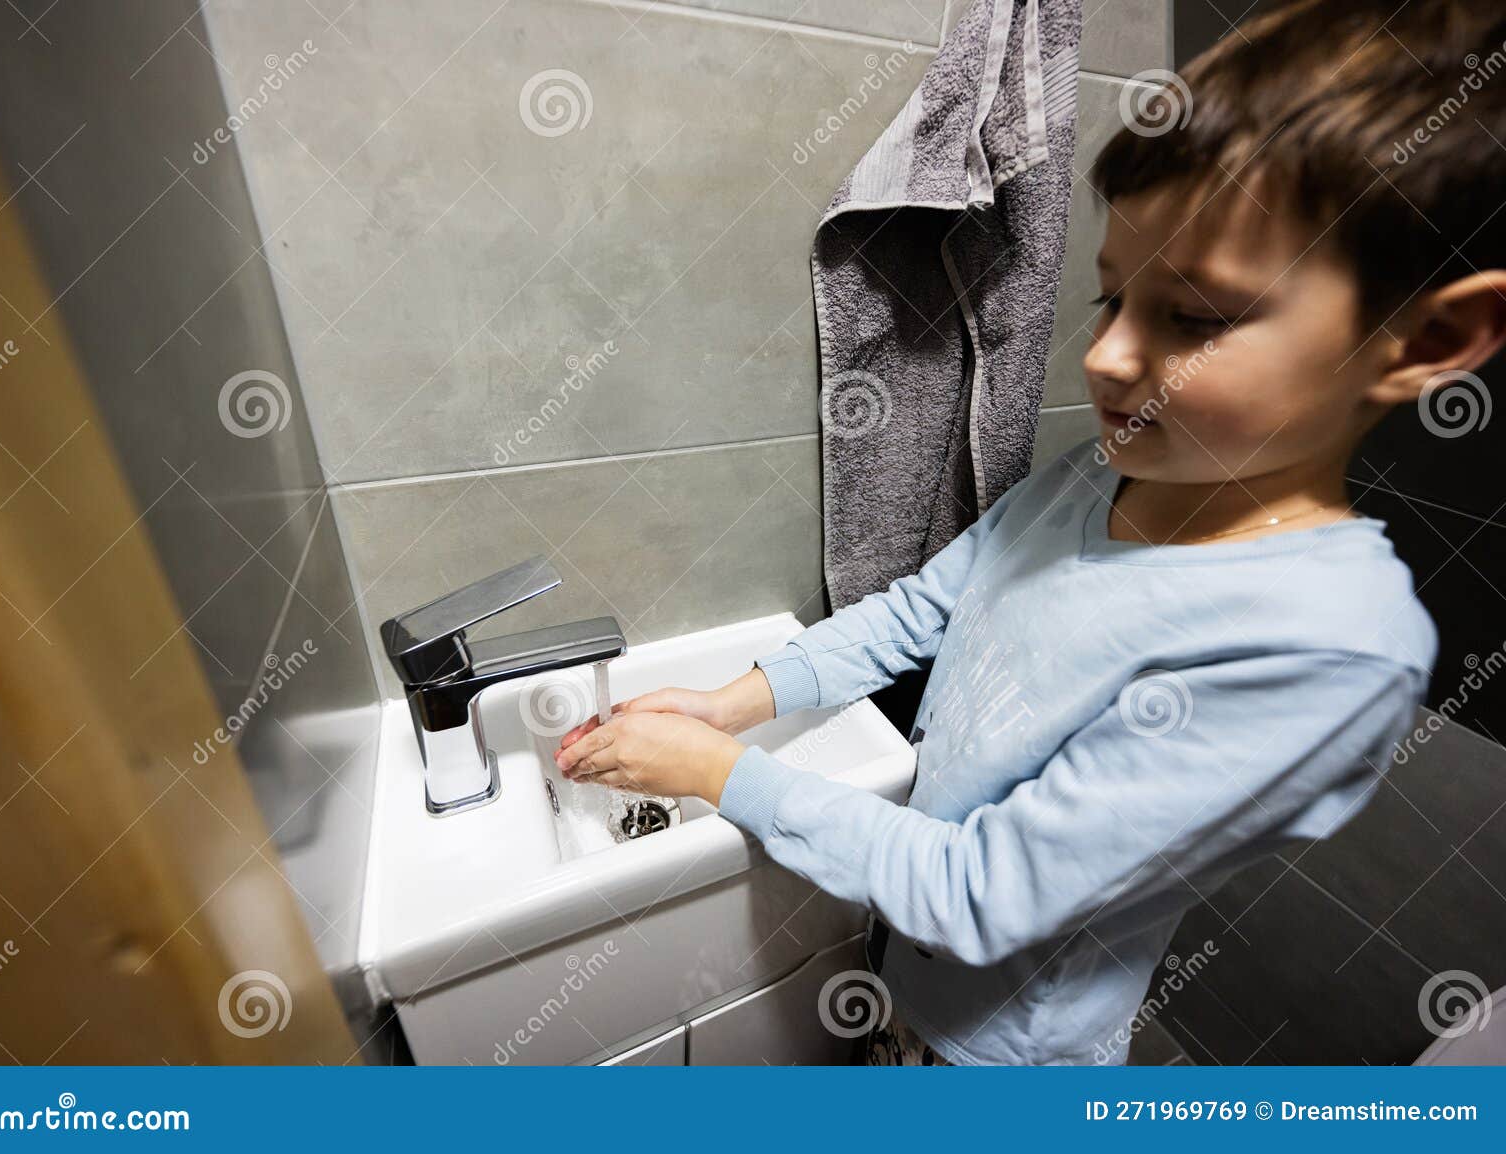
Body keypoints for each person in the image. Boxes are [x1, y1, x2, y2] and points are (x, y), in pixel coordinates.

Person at [555, 0, 1506, 1064]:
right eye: (1111, 301)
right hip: (905, 970)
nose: (1103, 358)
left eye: (1193, 315)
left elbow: (981, 892)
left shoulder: (1326, 646)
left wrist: (715, 771)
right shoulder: (1098, 473)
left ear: (1429, 337)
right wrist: (734, 701)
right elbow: (921, 608)